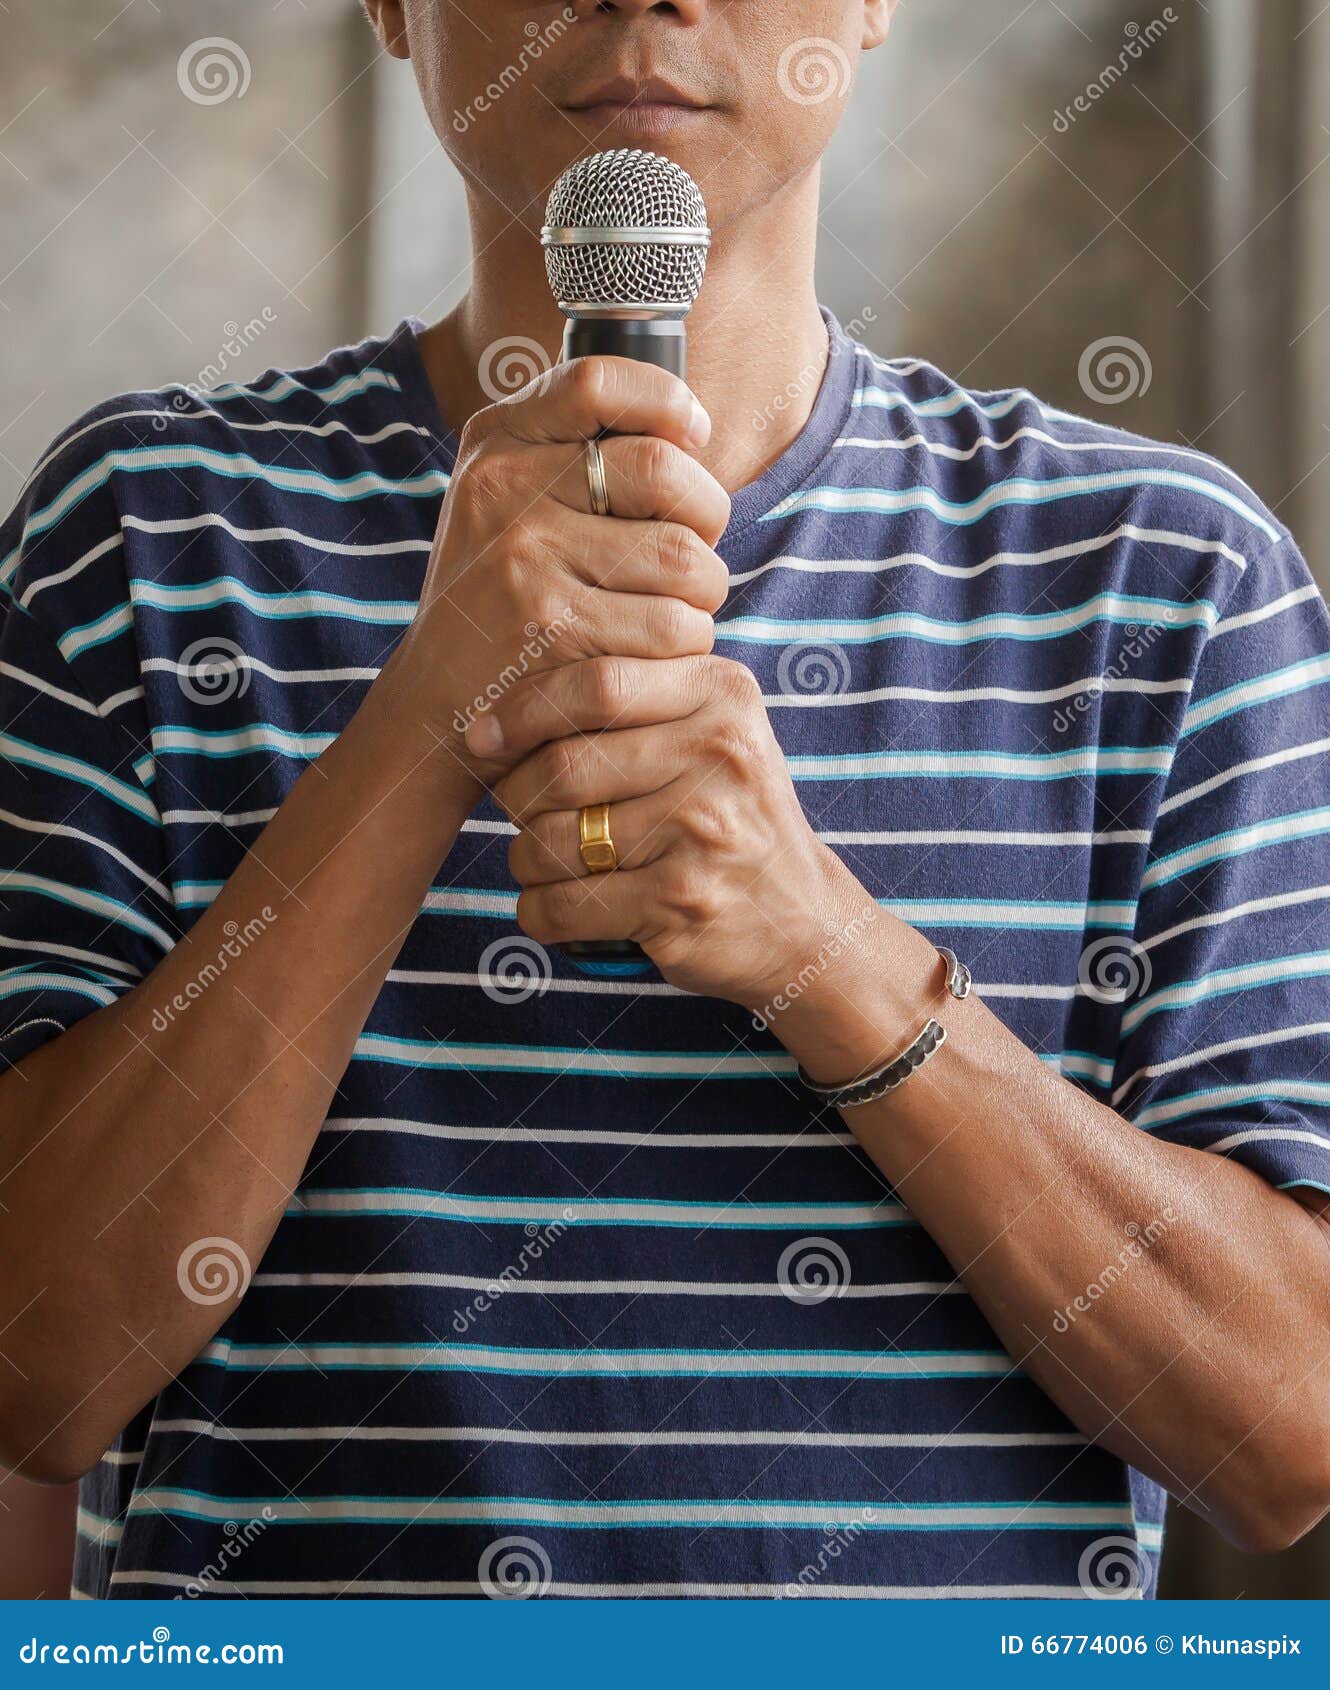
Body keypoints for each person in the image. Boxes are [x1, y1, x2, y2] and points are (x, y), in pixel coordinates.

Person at [1, 0, 1328, 1601]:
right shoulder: (141, 535)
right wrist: (433, 709)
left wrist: (824, 950)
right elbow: (38, 1364)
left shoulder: (1164, 585)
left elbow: (1282, 1436)